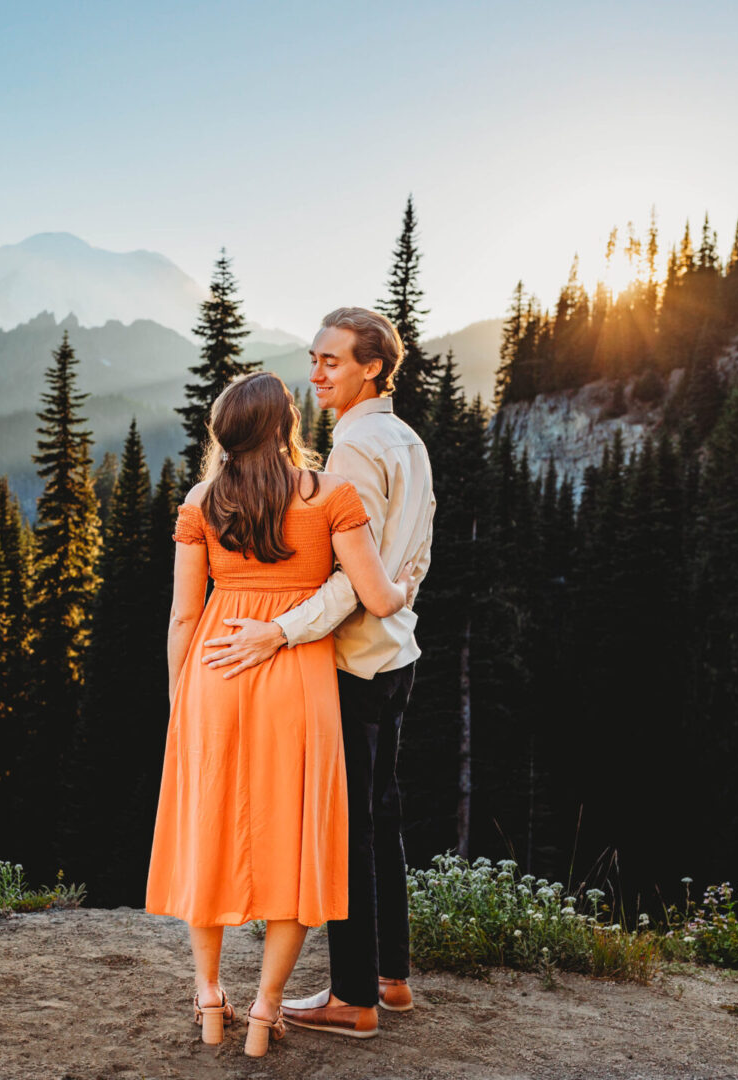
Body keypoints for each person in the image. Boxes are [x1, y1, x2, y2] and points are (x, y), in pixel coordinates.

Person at [144, 369, 415, 1058]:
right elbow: (376, 597)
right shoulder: (330, 495)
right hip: (297, 678)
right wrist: (405, 582)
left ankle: (210, 995)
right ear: (286, 425)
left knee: (209, 834)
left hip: (215, 670)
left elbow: (182, 616)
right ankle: (266, 1009)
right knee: (297, 842)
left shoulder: (200, 501)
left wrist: (181, 699)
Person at [200, 307, 436, 1040]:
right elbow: (412, 552)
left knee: (346, 831)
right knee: (383, 814)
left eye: (332, 361)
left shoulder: (353, 450)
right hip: (397, 655)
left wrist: (277, 631)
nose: (317, 373)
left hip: (355, 658)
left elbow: (350, 581)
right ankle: (392, 978)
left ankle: (353, 998)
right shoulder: (408, 439)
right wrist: (402, 591)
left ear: (373, 366)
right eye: (314, 358)